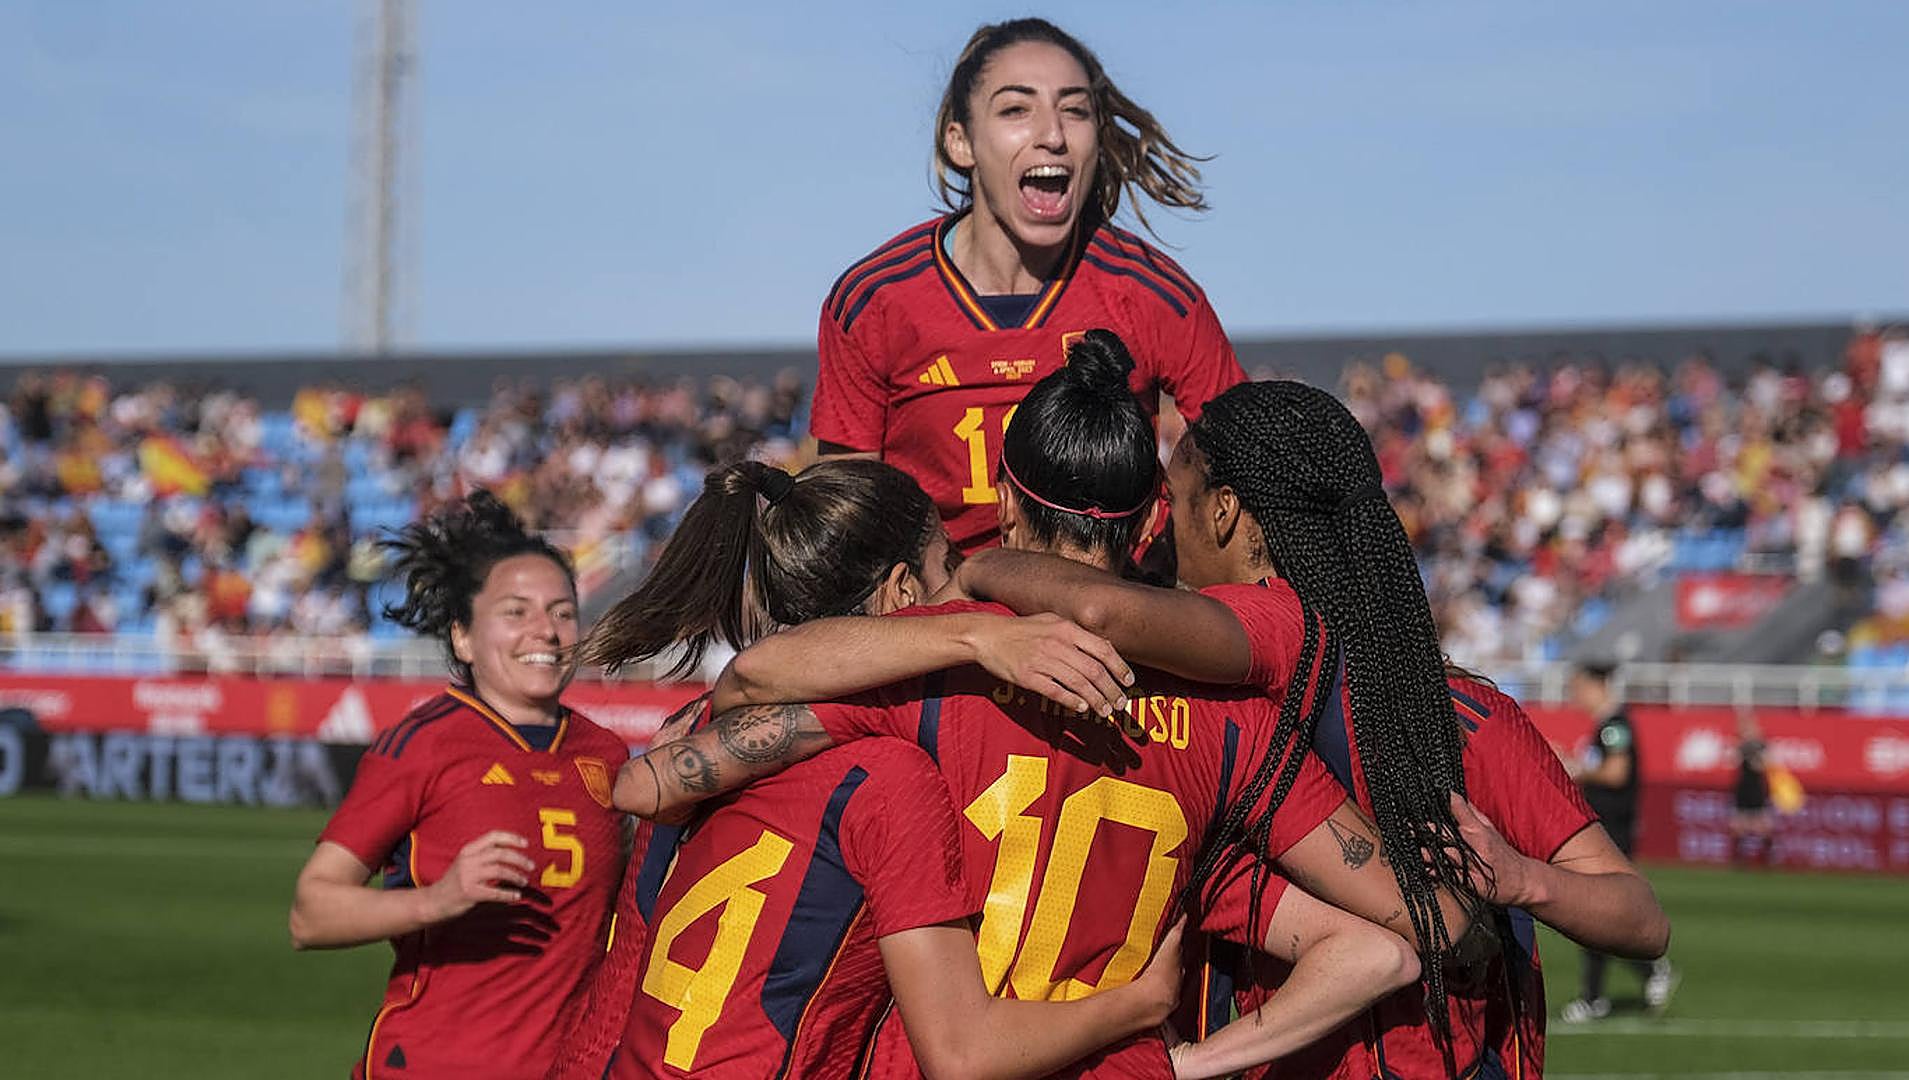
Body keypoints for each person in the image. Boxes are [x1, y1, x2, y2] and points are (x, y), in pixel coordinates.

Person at [613, 335, 1470, 1076]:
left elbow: (675, 765)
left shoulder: (922, 676)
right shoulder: (1230, 719)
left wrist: (962, 632)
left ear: (1005, 500)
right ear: (1144, 529)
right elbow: (1420, 922)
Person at [953, 379, 1671, 1077]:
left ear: (1225, 512)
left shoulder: (1276, 626)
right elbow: (1641, 916)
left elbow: (1104, 612)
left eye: (1174, 502)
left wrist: (979, 564)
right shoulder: (1467, 711)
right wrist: (1528, 882)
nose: (1159, 534)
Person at [552, 458, 1186, 1080]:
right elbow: (963, 1051)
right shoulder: (889, 772)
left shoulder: (694, 725)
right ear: (906, 591)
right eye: (950, 569)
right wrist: (1139, 1003)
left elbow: (641, 783)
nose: (962, 588)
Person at [812, 17, 1244, 554]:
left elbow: (1252, 464)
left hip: (1114, 615)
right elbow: (844, 523)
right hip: (940, 620)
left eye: (1075, 109)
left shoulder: (1156, 295)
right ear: (961, 141)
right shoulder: (874, 301)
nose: (1053, 135)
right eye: (1017, 108)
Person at [288, 491, 629, 1080]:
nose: (545, 631)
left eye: (563, 611)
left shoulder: (606, 752)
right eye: (516, 612)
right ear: (464, 638)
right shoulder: (424, 744)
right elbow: (309, 915)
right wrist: (437, 900)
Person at [1561, 662, 1677, 1022]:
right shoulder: (1606, 727)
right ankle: (1635, 976)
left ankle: (1600, 995)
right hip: (1605, 828)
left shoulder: (1614, 726)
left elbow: (1616, 772)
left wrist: (1580, 770)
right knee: (1595, 910)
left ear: (1599, 685)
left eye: (1579, 686)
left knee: (1595, 909)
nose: (1575, 695)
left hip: (1611, 830)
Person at [1731, 707, 1774, 866]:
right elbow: (1734, 760)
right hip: (1743, 788)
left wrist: (1752, 755)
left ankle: (1766, 859)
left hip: (1756, 789)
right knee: (1739, 825)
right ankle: (1738, 860)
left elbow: (1761, 765)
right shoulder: (1740, 746)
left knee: (1763, 826)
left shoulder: (1761, 746)